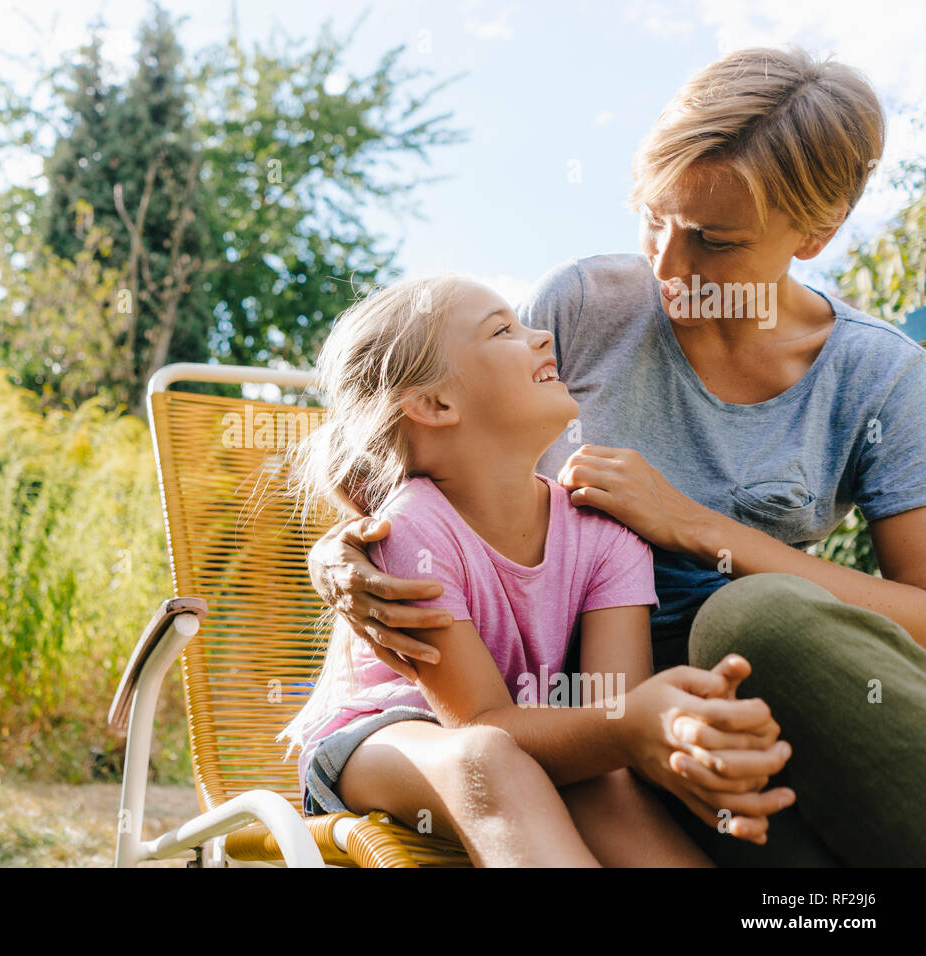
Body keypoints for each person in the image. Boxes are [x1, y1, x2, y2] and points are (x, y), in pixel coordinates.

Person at [305, 46, 926, 866]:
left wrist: (699, 528)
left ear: (819, 231)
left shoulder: (879, 377)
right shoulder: (583, 305)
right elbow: (419, 433)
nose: (665, 266)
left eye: (713, 240)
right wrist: (341, 549)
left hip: (732, 694)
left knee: (751, 616)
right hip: (596, 718)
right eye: (653, 215)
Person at [277, 273, 796, 866]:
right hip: (383, 740)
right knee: (485, 760)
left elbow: (613, 713)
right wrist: (625, 727)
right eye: (502, 330)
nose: (542, 336)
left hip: (517, 732)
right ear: (434, 404)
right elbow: (477, 722)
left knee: (606, 785)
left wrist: (668, 732)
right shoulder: (409, 530)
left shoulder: (607, 531)